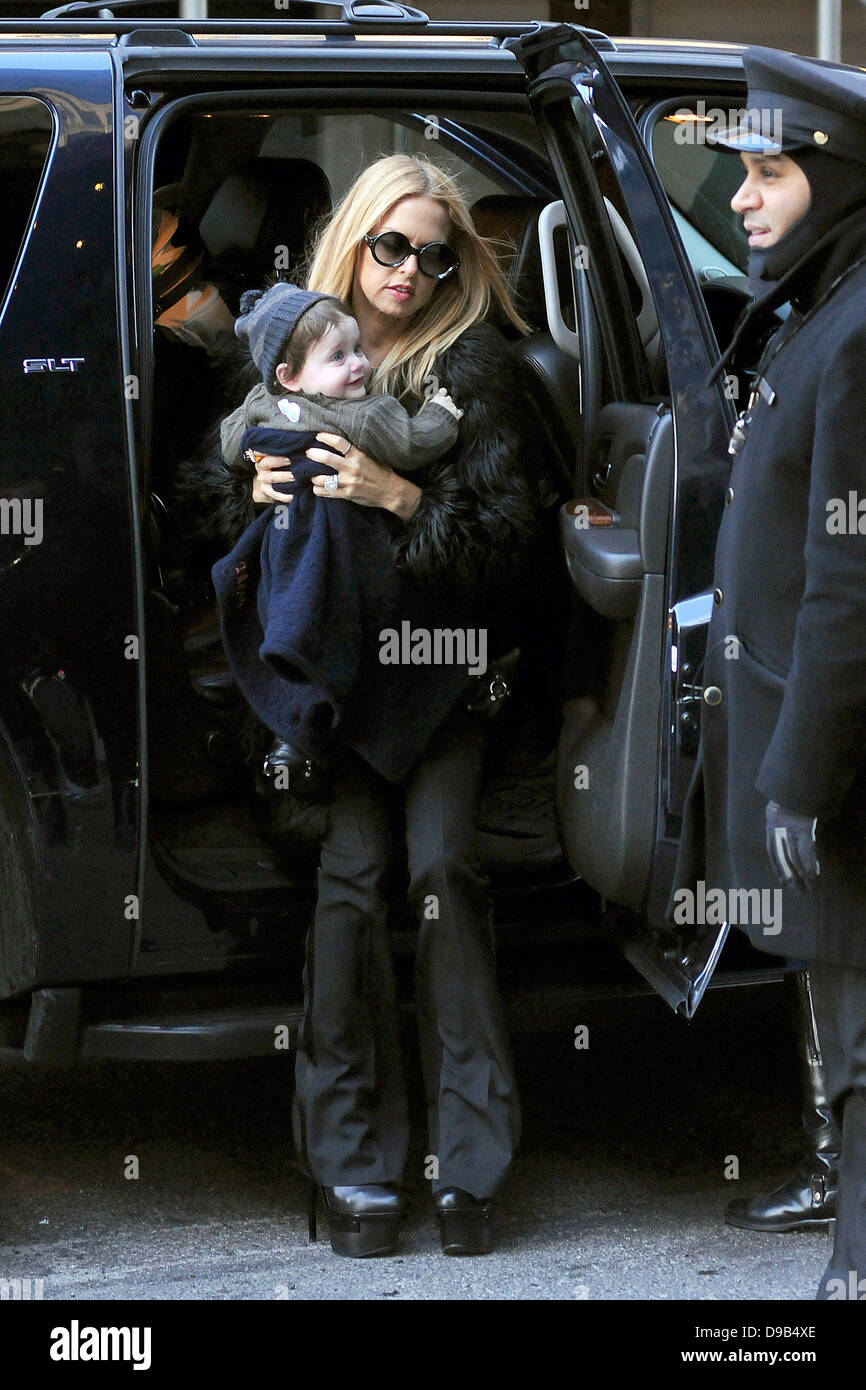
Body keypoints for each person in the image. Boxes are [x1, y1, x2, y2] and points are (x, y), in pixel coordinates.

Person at [184, 153, 567, 1256]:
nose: (408, 270)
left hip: (439, 674)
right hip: (329, 690)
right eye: (390, 244)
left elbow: (512, 554)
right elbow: (199, 498)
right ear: (353, 239)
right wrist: (244, 486)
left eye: (433, 254)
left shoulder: (474, 368)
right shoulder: (292, 343)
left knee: (444, 870)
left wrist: (398, 494)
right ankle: (354, 1172)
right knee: (350, 884)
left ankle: (470, 1172)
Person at [673, 47, 866, 1298]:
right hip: (814, 754)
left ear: (835, 178)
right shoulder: (820, 309)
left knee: (859, 1050)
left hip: (839, 768)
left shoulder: (854, 332)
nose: (741, 200)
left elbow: (851, 585)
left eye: (765, 174)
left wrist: (797, 776)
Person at [212, 280, 469, 794]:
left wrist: (254, 461)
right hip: (345, 548)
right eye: (340, 357)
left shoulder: (260, 404)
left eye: (357, 351)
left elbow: (229, 440)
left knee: (300, 617)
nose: (360, 366)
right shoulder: (365, 416)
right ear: (290, 375)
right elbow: (414, 442)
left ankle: (302, 718)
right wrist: (442, 412)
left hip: (286, 549)